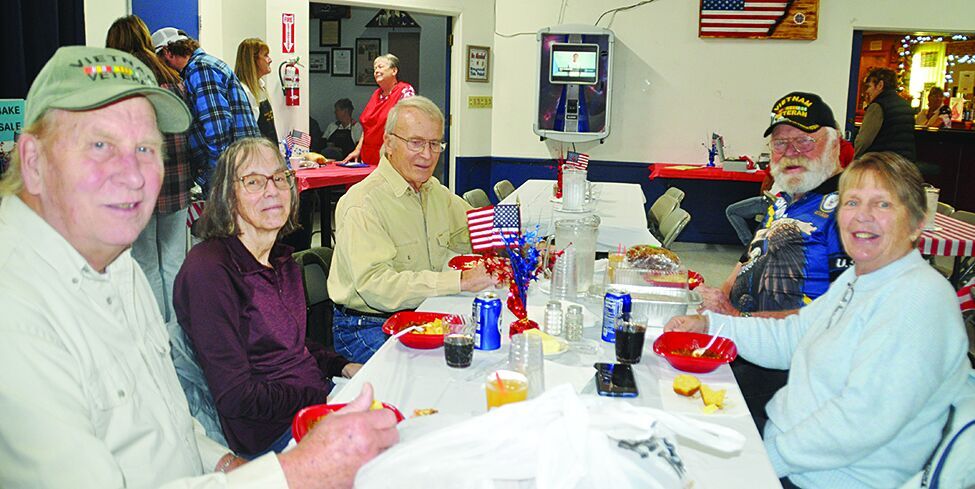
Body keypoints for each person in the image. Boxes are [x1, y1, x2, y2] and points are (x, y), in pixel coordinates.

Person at [0, 45, 396, 489]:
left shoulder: (118, 266)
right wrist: (295, 472)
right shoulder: (15, 311)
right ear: (33, 161)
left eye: (147, 148)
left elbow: (168, 417)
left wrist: (227, 464)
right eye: (100, 144)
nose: (133, 175)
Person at [666, 152, 972, 489]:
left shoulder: (919, 298)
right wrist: (712, 327)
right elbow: (792, 336)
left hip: (823, 477)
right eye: (852, 202)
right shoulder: (861, 279)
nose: (862, 217)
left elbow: (859, 422)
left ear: (916, 221)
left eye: (882, 205)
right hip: (788, 447)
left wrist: (760, 458)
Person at [173, 137, 361, 458]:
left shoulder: (282, 260)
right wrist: (316, 394)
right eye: (254, 182)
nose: (272, 190)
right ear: (227, 196)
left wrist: (341, 366)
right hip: (272, 435)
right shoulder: (210, 270)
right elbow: (236, 395)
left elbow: (294, 346)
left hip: (317, 403)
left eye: (279, 178)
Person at [700, 92, 852, 425]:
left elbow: (839, 316)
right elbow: (747, 261)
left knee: (689, 406)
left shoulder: (850, 208)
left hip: (793, 366)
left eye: (804, 141)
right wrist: (715, 301)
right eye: (781, 143)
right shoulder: (785, 199)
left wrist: (737, 320)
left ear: (835, 143)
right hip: (742, 339)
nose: (791, 153)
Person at [329, 96, 496, 363]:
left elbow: (475, 230)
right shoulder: (363, 203)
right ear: (389, 143)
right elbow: (377, 286)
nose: (427, 155)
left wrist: (523, 244)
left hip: (425, 312)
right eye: (416, 143)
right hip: (366, 326)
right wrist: (459, 281)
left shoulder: (434, 192)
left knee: (488, 349)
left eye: (434, 144)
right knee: (446, 367)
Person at [105, 15, 193, 323]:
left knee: (144, 262)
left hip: (137, 183)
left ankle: (157, 334)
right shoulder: (173, 77)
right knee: (174, 261)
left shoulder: (119, 84)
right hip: (177, 179)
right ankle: (180, 333)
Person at [152, 27, 259, 192]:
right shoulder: (206, 65)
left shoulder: (200, 69)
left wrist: (215, 176)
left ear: (167, 53)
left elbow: (217, 128)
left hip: (229, 172)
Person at [341, 54, 414, 165]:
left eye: (380, 67)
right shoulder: (376, 94)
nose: (376, 71)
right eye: (375, 68)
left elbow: (406, 125)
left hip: (390, 155)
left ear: (394, 71)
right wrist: (357, 150)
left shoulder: (405, 90)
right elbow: (367, 128)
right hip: (368, 156)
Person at [854, 67, 916, 161]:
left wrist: (852, 159)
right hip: (905, 162)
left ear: (880, 85)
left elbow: (864, 140)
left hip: (883, 162)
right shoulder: (905, 105)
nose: (867, 91)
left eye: (869, 86)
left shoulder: (878, 106)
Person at [235, 38, 279, 143]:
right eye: (265, 55)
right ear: (252, 60)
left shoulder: (260, 86)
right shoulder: (244, 92)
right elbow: (249, 136)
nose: (270, 60)